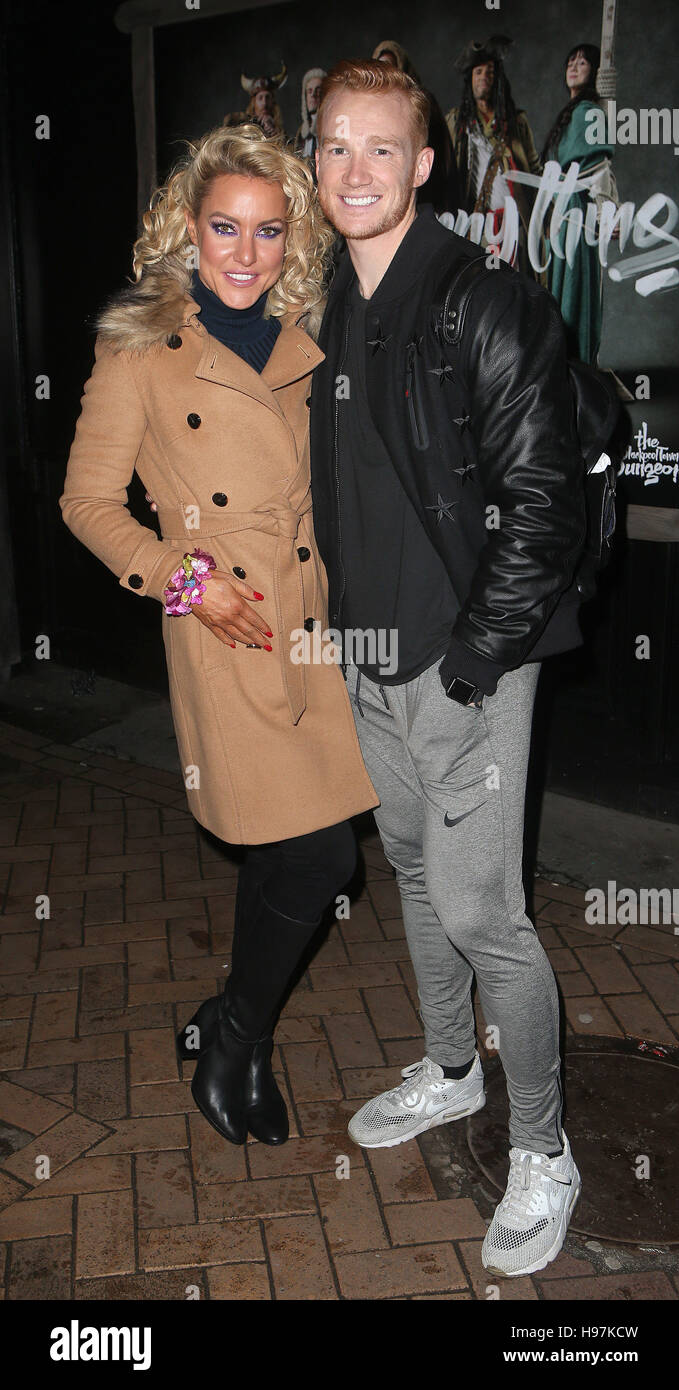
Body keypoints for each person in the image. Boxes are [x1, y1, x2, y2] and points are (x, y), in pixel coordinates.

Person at [310, 58, 586, 1278]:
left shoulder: (483, 299)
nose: (354, 171)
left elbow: (540, 505)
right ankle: (449, 1067)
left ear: (424, 165)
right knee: (416, 877)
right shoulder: (327, 299)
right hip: (370, 664)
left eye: (380, 149)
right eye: (333, 147)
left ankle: (546, 1150)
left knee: (487, 914)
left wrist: (473, 664)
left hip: (467, 664)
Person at [60, 123, 379, 1149]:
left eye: (269, 231)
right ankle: (236, 1037)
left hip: (312, 622)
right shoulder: (138, 347)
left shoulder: (303, 339)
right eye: (224, 229)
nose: (245, 254)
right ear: (186, 230)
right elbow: (87, 501)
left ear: (293, 241)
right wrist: (180, 579)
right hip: (228, 623)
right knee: (320, 854)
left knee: (308, 858)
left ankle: (226, 1026)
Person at [542, 44, 617, 363]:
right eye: (570, 61)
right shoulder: (573, 112)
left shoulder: (589, 112)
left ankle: (577, 366)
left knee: (575, 287)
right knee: (559, 286)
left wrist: (606, 211)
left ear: (594, 72)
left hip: (577, 211)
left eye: (583, 62)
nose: (574, 66)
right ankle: (562, 365)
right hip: (560, 210)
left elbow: (599, 169)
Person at [445, 36, 542, 275]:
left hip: (513, 221)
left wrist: (544, 216)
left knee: (515, 287)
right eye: (478, 72)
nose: (484, 78)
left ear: (498, 79)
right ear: (470, 80)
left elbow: (535, 171)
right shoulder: (456, 122)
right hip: (476, 222)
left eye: (489, 72)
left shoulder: (516, 122)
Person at [371, 41, 459, 216]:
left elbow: (441, 153)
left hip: (424, 189)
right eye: (380, 67)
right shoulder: (370, 108)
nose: (385, 73)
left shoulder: (423, 102)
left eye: (390, 66)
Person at [223, 65, 287, 136]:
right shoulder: (240, 125)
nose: (264, 103)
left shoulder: (280, 132)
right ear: (254, 103)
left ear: (273, 102)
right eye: (260, 98)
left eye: (268, 97)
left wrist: (275, 133)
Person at [292, 67, 326, 162]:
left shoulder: (329, 128)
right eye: (309, 91)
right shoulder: (301, 133)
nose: (313, 95)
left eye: (318, 90)